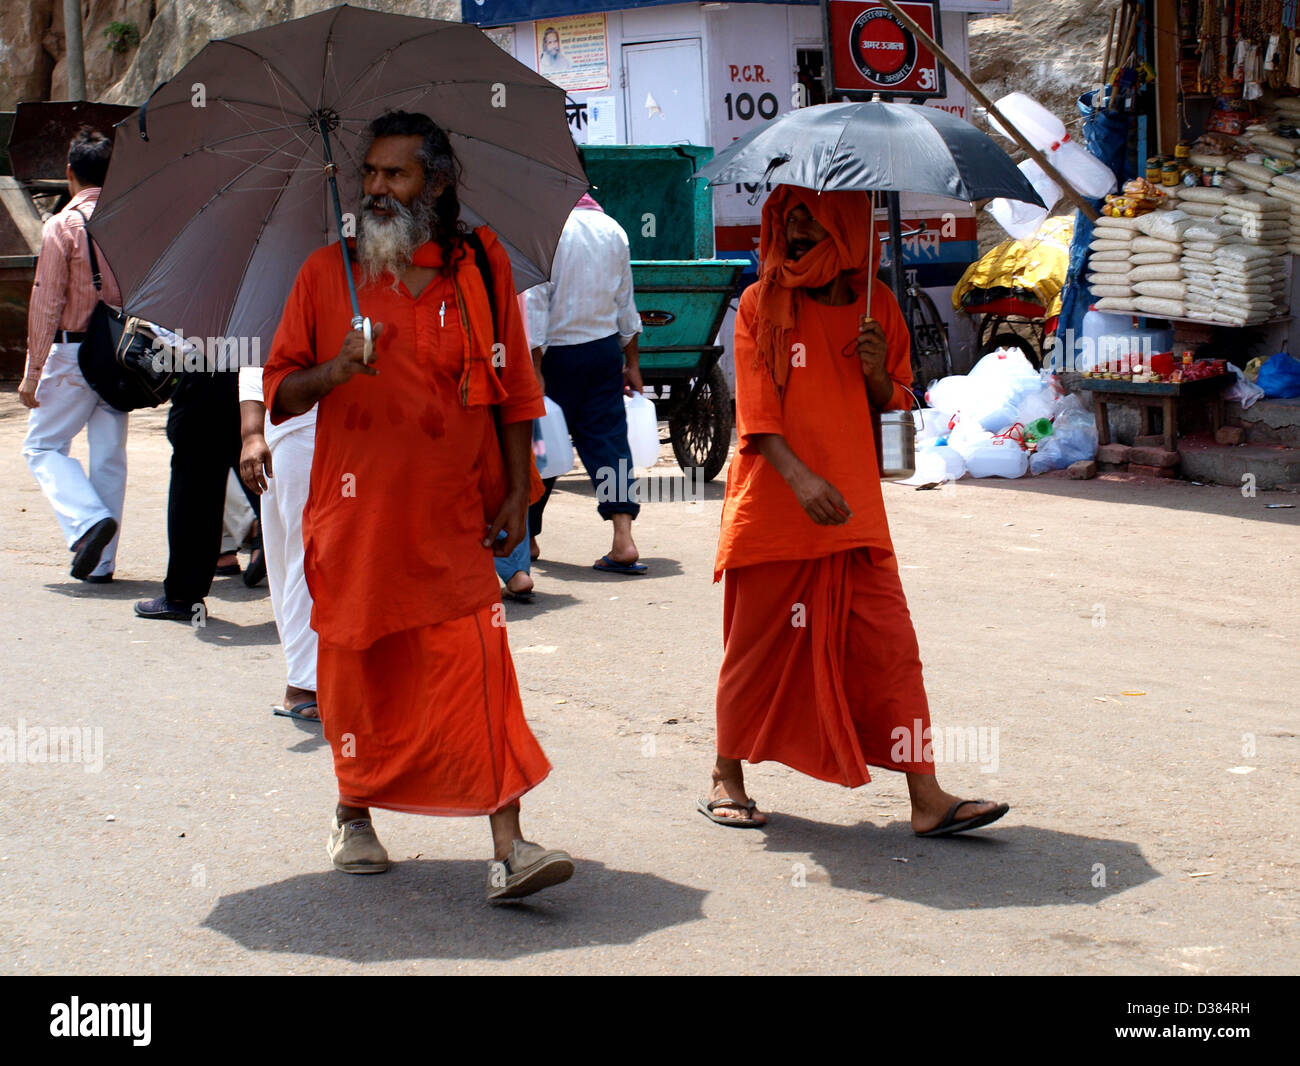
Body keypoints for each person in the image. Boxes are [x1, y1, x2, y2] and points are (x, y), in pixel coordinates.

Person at [262, 111, 573, 901]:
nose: (374, 188)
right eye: (368, 173)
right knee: (361, 673)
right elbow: (280, 392)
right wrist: (334, 372)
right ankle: (353, 810)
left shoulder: (479, 268)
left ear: (434, 185)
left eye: (394, 175)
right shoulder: (325, 276)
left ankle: (510, 843)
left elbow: (512, 389)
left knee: (480, 672)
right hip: (356, 521)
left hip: (450, 522)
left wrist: (513, 487)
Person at [701, 185, 1009, 838]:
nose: (799, 230)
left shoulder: (880, 307)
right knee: (754, 653)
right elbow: (755, 415)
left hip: (854, 515)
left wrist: (874, 371)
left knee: (891, 650)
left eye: (813, 218)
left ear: (845, 225)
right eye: (789, 219)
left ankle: (926, 796)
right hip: (776, 509)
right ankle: (726, 775)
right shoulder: (760, 304)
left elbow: (897, 408)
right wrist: (801, 478)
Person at [19, 128, 125, 583]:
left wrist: (32, 372)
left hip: (72, 354)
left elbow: (46, 301)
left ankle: (86, 523)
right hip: (121, 355)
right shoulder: (129, 220)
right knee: (108, 457)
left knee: (42, 446)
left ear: (70, 174)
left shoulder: (62, 226)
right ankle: (101, 563)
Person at [524, 190, 645, 573]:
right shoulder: (614, 230)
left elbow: (535, 302)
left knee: (541, 447)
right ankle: (623, 539)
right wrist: (632, 361)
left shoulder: (544, 231)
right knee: (609, 446)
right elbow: (625, 301)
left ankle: (526, 539)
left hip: (556, 356)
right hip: (604, 352)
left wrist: (535, 366)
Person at [238, 364, 318, 722]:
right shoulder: (278, 308)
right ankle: (303, 681)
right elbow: (253, 360)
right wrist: (252, 434)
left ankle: (308, 675)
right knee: (300, 553)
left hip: (352, 430)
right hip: (295, 433)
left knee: (300, 554)